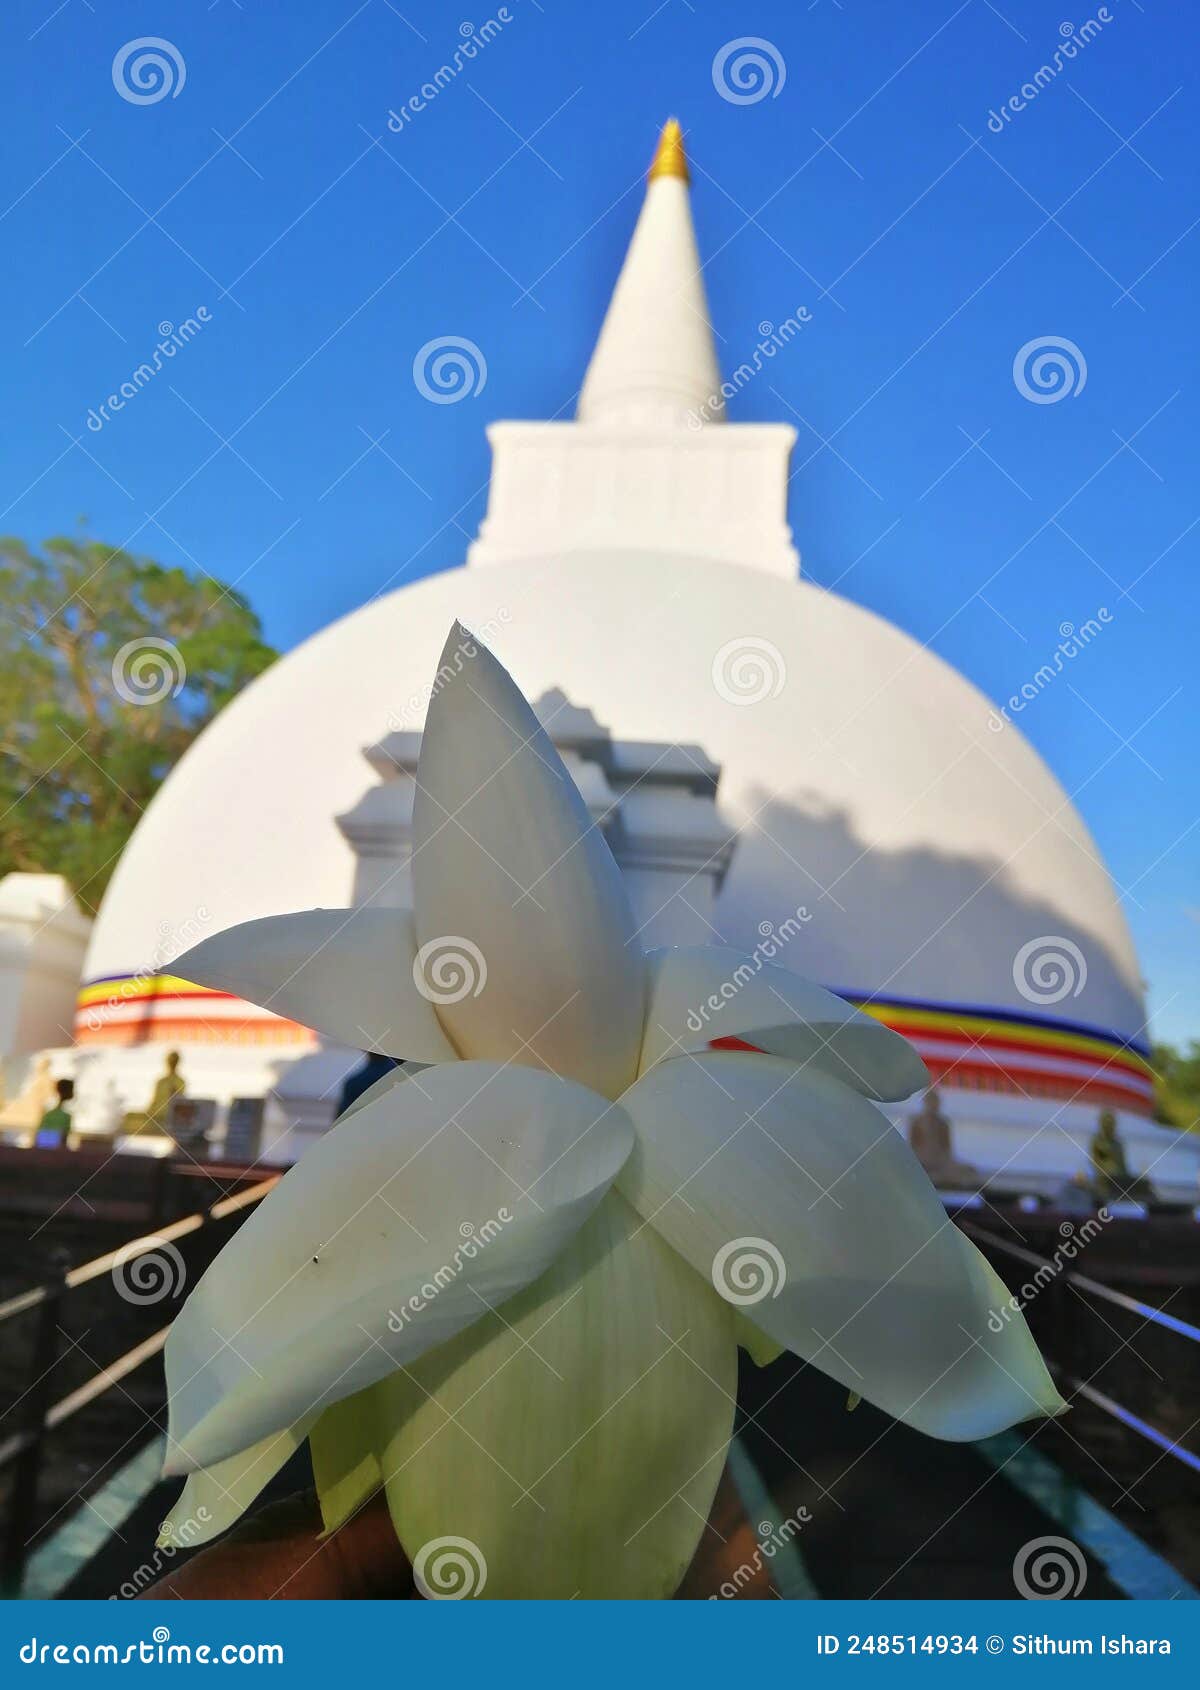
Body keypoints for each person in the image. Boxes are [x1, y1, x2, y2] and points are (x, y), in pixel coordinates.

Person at [907, 1087, 980, 1190]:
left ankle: (937, 1176)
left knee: (970, 1171)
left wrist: (944, 1162)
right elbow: (912, 1148)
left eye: (936, 1101)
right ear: (925, 1103)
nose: (934, 1105)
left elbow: (947, 1149)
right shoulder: (916, 1121)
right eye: (931, 1101)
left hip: (941, 1162)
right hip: (922, 1162)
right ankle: (931, 1176)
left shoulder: (943, 1123)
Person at [34, 1077, 74, 1149]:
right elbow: (62, 1139)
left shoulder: (49, 1112)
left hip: (46, 1150)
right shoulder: (65, 1114)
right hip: (52, 1151)